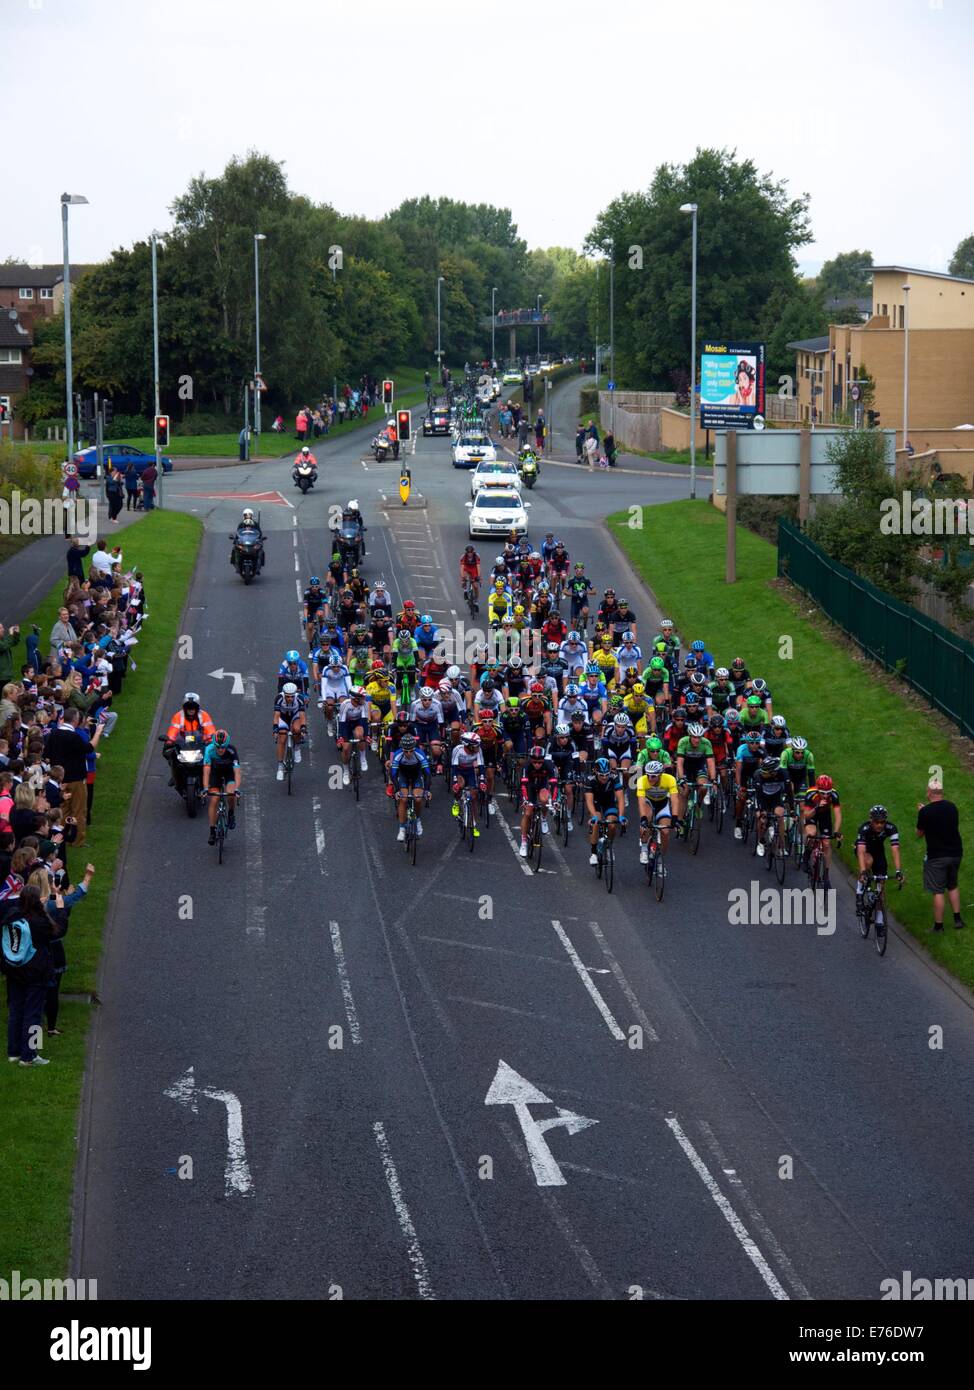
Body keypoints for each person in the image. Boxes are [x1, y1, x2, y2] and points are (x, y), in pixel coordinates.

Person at [3, 883, 62, 1066]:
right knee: (34, 1013)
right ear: (37, 901)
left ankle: (13, 1052)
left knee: (16, 1010)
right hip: (36, 971)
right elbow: (59, 931)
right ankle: (30, 1055)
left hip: (13, 969)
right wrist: (59, 909)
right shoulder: (39, 922)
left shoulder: (12, 915)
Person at [916, 780, 964, 932]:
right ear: (941, 792)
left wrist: (922, 812)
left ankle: (938, 926)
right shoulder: (952, 807)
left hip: (937, 856)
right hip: (956, 853)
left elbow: (919, 833)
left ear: (929, 792)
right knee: (953, 885)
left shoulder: (925, 812)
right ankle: (957, 919)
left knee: (938, 891)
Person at [202, 729, 242, 844]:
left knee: (230, 794)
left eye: (222, 747)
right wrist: (205, 788)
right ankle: (212, 831)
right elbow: (206, 771)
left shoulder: (232, 751)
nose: (220, 750)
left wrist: (237, 789)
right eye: (217, 747)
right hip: (215, 773)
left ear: (227, 745)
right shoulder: (209, 750)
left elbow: (237, 772)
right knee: (214, 799)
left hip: (229, 772)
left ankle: (231, 813)